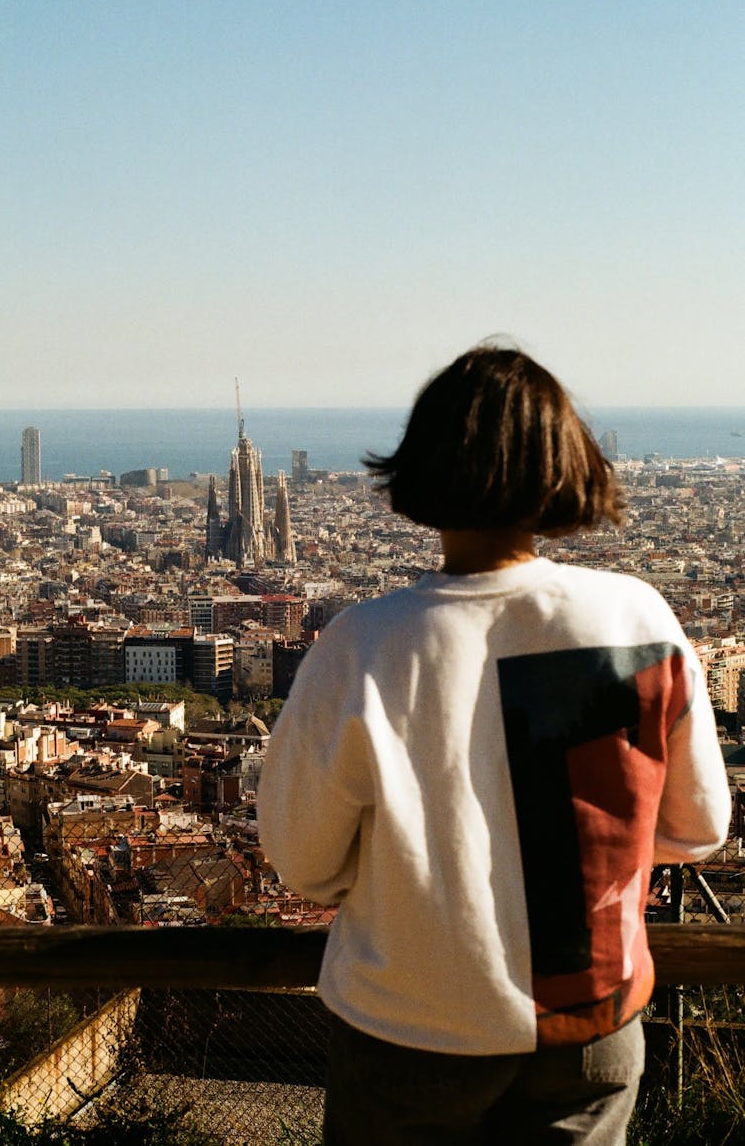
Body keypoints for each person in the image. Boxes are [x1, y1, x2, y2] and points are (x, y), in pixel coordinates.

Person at [256, 344, 731, 1145]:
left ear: (423, 469)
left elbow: (303, 861)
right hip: (591, 1017)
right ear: (563, 468)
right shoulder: (634, 618)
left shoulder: (365, 644)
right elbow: (698, 828)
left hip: (410, 1023)